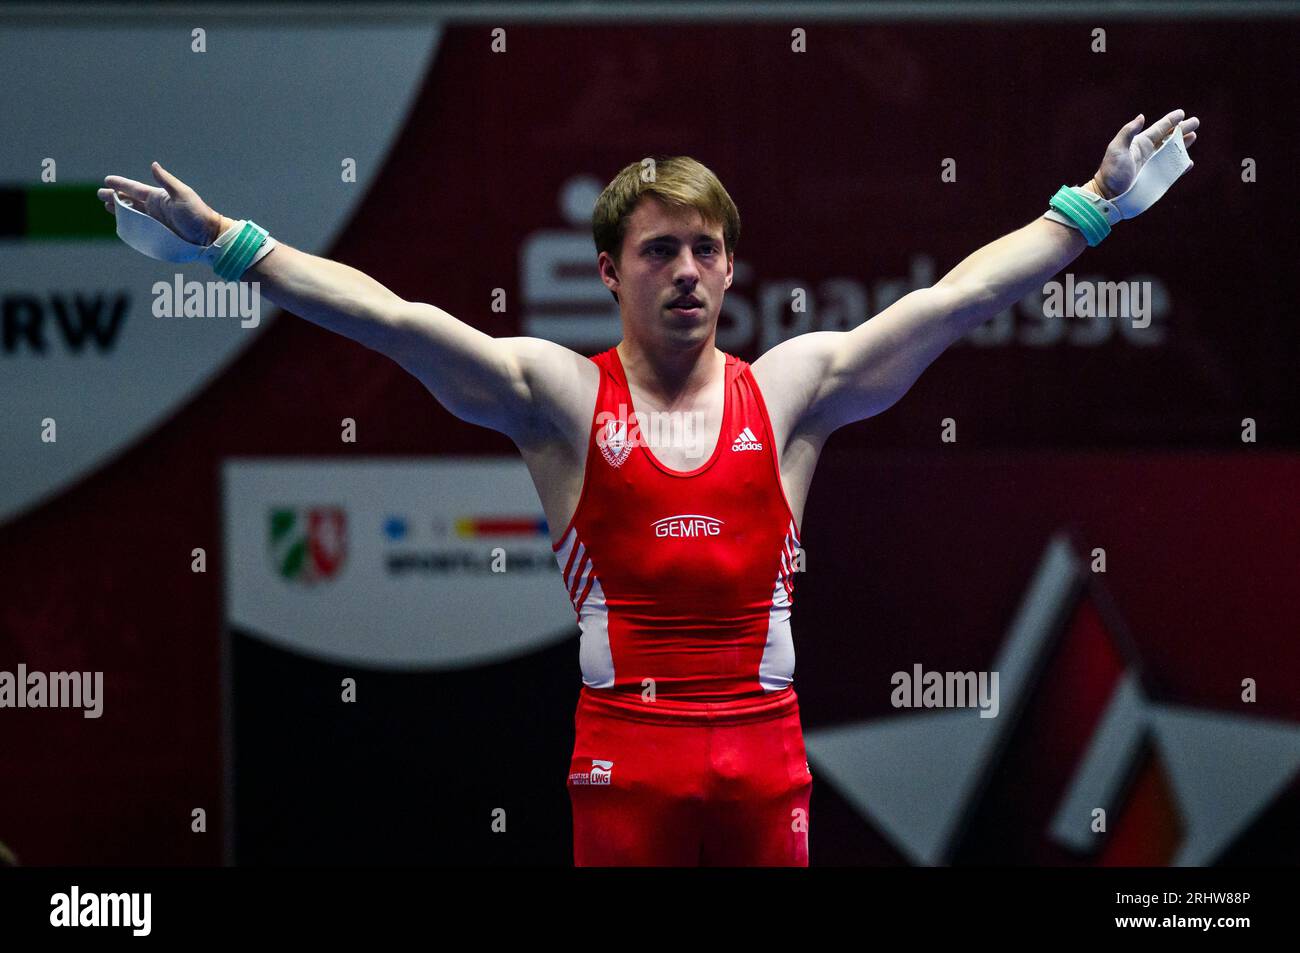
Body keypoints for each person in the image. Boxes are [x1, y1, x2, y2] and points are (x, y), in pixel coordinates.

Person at [98, 109, 1198, 865]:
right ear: (609, 271)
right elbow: (391, 321)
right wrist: (231, 247)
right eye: (660, 249)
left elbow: (953, 302)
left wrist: (1094, 205)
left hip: (766, 756)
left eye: (705, 250)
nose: (685, 270)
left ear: (729, 267)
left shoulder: (795, 389)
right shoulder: (558, 400)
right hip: (625, 756)